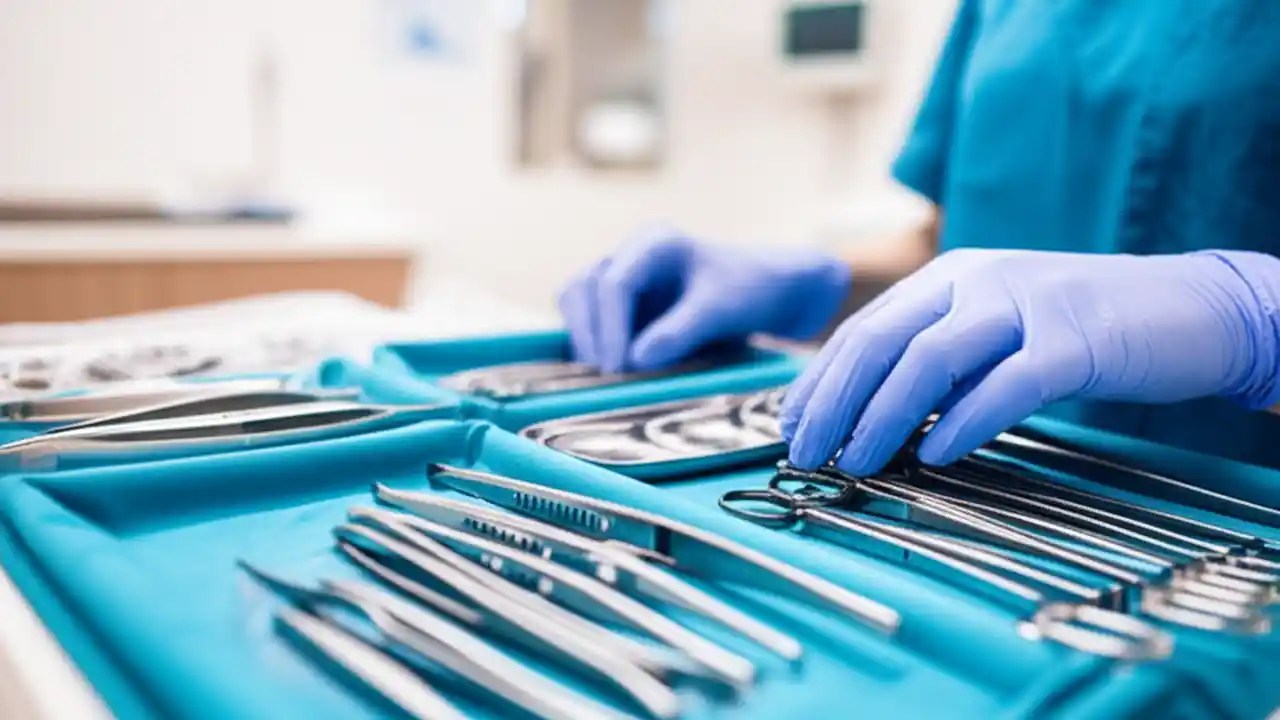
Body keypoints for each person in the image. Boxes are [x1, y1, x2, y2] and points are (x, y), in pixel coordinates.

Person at [558, 1, 1280, 478]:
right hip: (964, 488)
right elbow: (952, 246)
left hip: (1226, 535)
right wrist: (814, 282)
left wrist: (1255, 324)